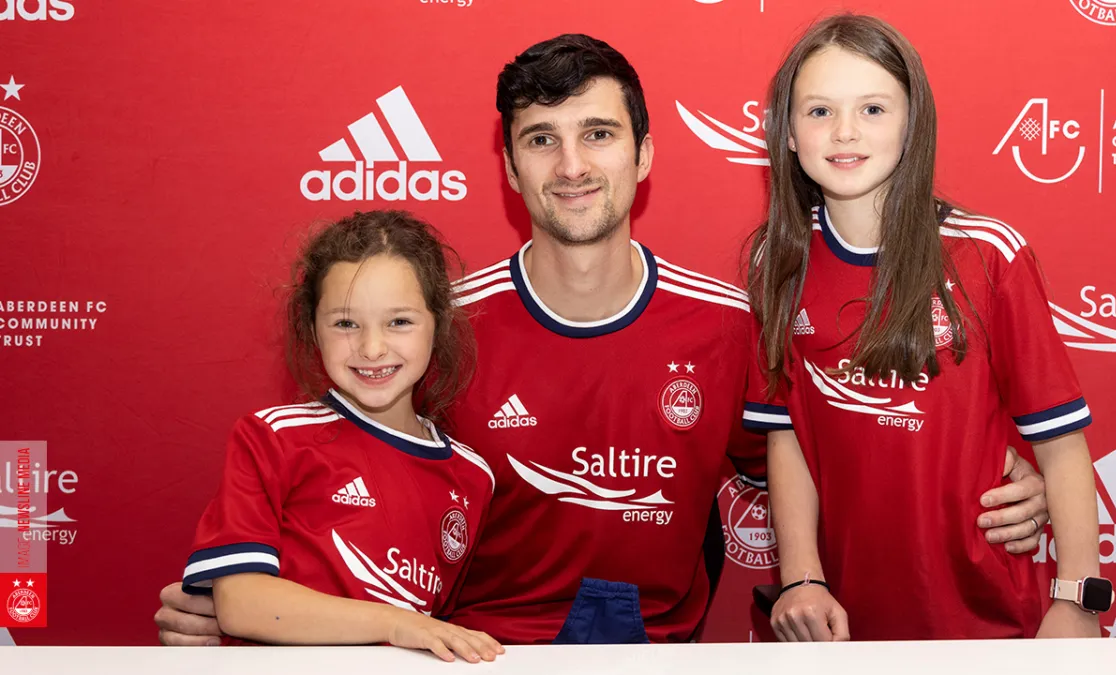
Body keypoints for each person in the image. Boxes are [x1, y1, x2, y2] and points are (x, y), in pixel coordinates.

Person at [156, 33, 1051, 647]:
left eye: (598, 134)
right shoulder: (436, 327)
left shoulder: (728, 323)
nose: (573, 166)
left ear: (644, 154)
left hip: (657, 651)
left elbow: (821, 450)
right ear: (509, 168)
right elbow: (338, 473)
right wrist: (243, 599)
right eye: (541, 140)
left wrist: (1006, 472)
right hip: (473, 652)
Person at [747, 14, 1105, 642]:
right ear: (788, 133)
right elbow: (788, 434)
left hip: (991, 618)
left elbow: (1060, 442)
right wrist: (802, 577)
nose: (845, 131)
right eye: (820, 111)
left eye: (873, 109)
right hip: (844, 622)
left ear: (914, 123)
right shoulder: (777, 261)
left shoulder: (987, 255)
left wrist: (1077, 600)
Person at [180, 210, 503, 662]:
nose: (372, 348)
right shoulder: (273, 438)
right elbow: (241, 604)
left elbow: (444, 627)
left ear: (439, 324)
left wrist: (417, 627)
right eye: (346, 324)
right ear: (312, 329)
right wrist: (395, 622)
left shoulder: (473, 476)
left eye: (399, 322)